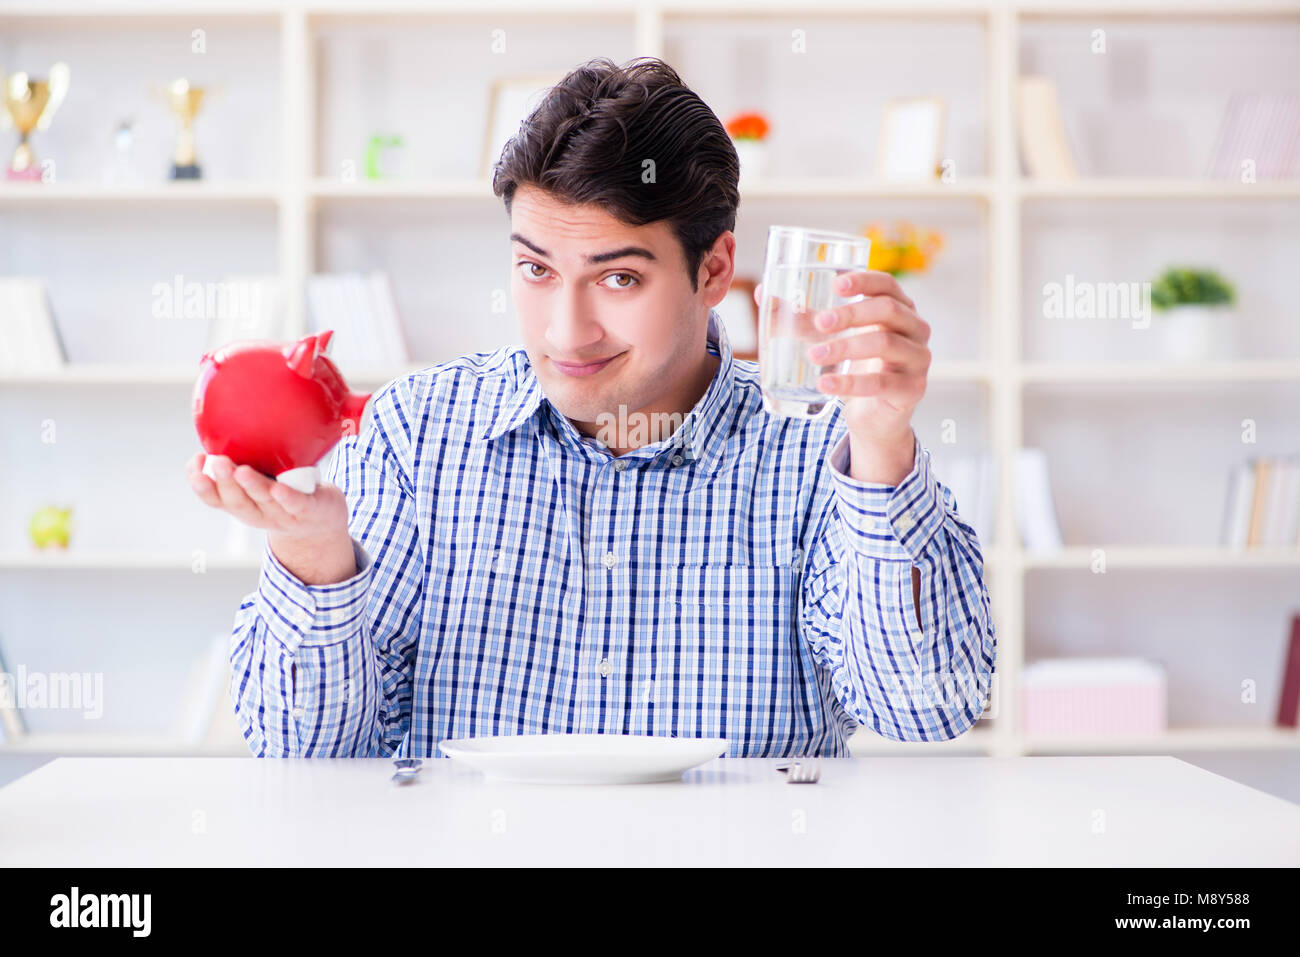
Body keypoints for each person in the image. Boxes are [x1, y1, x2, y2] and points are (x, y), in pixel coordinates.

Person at [186, 56, 995, 758]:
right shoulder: (415, 434)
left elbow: (926, 709)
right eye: (537, 271)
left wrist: (885, 446)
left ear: (714, 270)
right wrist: (317, 560)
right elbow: (303, 750)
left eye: (618, 279)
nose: (565, 331)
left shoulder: (817, 454)